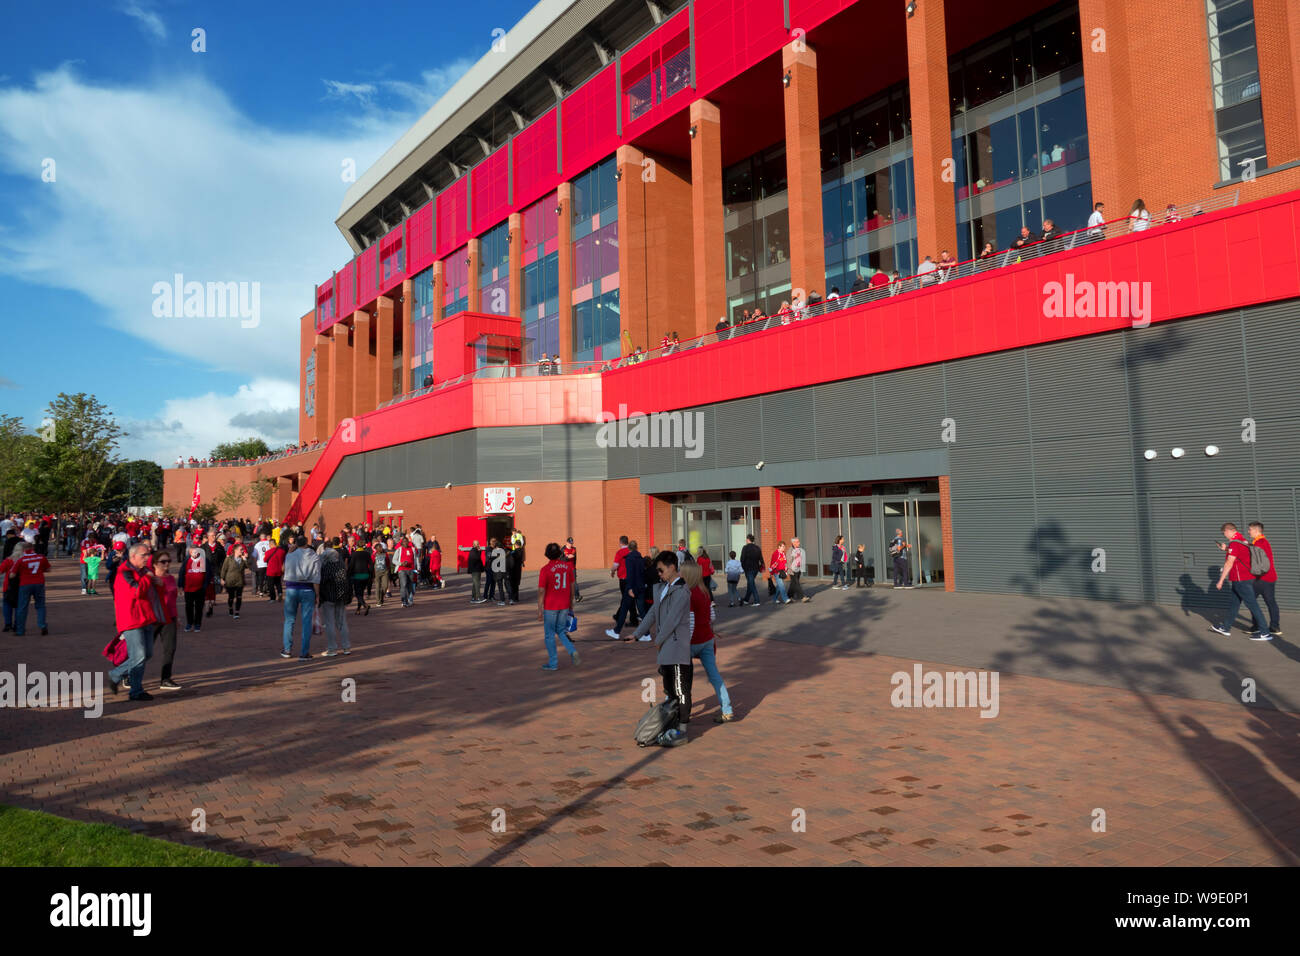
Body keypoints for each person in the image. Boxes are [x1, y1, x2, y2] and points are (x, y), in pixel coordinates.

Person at [631, 551, 693, 746]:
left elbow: (672, 620)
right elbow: (652, 614)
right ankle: (670, 723)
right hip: (665, 646)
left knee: (680, 689)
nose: (658, 573)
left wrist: (658, 639)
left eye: (661, 569)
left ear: (672, 567)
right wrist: (636, 634)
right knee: (669, 688)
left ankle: (682, 729)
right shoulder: (662, 588)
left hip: (676, 647)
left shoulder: (682, 591)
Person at [681, 562, 732, 723]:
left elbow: (690, 621)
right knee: (714, 676)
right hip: (707, 639)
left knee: (683, 679)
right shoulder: (704, 592)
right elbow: (713, 617)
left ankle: (682, 711)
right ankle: (727, 708)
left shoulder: (687, 593)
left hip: (692, 641)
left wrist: (683, 643)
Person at [108, 543, 158, 702]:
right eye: (144, 555)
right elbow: (136, 591)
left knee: (147, 654)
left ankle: (116, 674)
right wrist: (148, 578)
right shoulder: (124, 572)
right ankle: (136, 691)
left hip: (146, 617)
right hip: (131, 619)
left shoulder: (143, 571)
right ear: (133, 556)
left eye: (148, 555)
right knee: (139, 656)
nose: (147, 558)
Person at [1211, 522, 1272, 641]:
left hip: (1241, 580)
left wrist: (1221, 580)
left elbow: (1230, 562)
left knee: (1253, 605)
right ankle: (1225, 627)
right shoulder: (1242, 540)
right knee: (1234, 604)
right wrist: (1227, 549)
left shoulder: (1234, 542)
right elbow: (1240, 555)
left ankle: (1265, 632)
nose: (1225, 536)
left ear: (1228, 531)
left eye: (1224, 533)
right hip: (1243, 578)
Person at [537, 542, 580, 670]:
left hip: (551, 605)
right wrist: (571, 603)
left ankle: (553, 662)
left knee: (549, 634)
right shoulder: (567, 567)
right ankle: (572, 651)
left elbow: (541, 591)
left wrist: (540, 609)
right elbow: (572, 587)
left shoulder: (545, 569)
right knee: (561, 631)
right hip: (564, 604)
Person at [282, 536, 321, 659]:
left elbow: (283, 569)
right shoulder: (314, 556)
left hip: (291, 588)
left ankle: (287, 650)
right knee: (306, 621)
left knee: (289, 620)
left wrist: (288, 553)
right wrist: (317, 594)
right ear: (307, 543)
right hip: (307, 589)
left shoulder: (290, 555)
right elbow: (316, 578)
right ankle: (304, 652)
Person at [152, 550, 182, 691]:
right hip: (153, 619)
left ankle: (166, 678)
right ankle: (128, 674)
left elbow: (172, 600)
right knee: (144, 651)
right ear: (155, 564)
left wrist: (176, 617)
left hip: (169, 618)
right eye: (163, 562)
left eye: (168, 561)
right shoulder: (150, 579)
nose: (166, 564)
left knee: (170, 649)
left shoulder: (170, 578)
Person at [318, 538, 352, 657]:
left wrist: (319, 597)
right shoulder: (341, 566)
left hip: (329, 597)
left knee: (329, 623)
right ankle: (346, 647)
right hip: (341, 596)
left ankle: (332, 648)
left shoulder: (325, 567)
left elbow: (322, 582)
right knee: (342, 622)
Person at [1247, 521, 1281, 636]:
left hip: (1262, 579)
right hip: (1268, 578)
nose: (1248, 531)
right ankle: (1274, 626)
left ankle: (1258, 626)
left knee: (1252, 601)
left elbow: (1250, 557)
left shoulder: (1260, 543)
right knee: (1270, 602)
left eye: (1250, 529)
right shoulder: (1261, 542)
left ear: (1256, 531)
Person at [11, 540, 51, 636]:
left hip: (25, 584)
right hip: (39, 583)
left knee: (22, 607)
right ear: (33, 548)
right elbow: (48, 569)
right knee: (40, 605)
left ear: (24, 550)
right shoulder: (41, 557)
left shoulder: (21, 560)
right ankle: (42, 624)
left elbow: (12, 574)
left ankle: (20, 630)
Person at [179, 543, 210, 633]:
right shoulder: (186, 561)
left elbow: (208, 574)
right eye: (193, 552)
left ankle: (197, 624)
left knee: (199, 607)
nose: (195, 554)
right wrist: (180, 585)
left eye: (196, 552)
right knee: (189, 606)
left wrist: (205, 585)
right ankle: (189, 623)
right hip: (188, 589)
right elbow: (181, 573)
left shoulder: (204, 561)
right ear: (189, 553)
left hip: (200, 588)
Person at [220, 543, 248, 619]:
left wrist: (245, 558)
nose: (242, 551)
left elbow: (248, 566)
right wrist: (222, 578)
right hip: (230, 580)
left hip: (239, 580)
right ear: (235, 550)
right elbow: (224, 569)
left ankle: (237, 612)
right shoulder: (229, 559)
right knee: (231, 597)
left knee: (239, 597)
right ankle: (230, 608)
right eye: (241, 549)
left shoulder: (243, 558)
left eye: (242, 549)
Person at [739, 534, 764, 606]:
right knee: (750, 583)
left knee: (752, 584)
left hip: (748, 569)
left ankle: (757, 601)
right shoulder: (757, 548)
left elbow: (742, 559)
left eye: (746, 539)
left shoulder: (745, 548)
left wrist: (743, 567)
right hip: (755, 569)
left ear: (748, 539)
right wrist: (761, 566)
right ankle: (746, 599)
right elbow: (761, 558)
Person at [349, 540, 373, 615]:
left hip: (357, 575)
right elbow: (371, 565)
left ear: (357, 546)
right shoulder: (367, 554)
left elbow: (351, 565)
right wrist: (371, 574)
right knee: (361, 592)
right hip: (366, 575)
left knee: (357, 593)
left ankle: (365, 605)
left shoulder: (354, 554)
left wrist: (348, 573)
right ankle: (358, 609)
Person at [396, 534, 418, 607]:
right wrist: (401, 563)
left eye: (406, 541)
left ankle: (409, 599)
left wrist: (418, 567)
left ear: (408, 542)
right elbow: (394, 560)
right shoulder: (399, 549)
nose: (405, 543)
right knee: (403, 584)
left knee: (410, 585)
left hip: (411, 569)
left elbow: (415, 559)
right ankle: (404, 601)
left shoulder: (412, 549)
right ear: (401, 543)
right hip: (402, 570)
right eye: (404, 541)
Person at [488, 538, 508, 607]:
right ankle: (509, 598)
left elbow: (491, 560)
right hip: (504, 571)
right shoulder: (504, 552)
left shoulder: (495, 553)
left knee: (500, 587)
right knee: (506, 585)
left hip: (498, 572)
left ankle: (502, 600)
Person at [788, 538, 809, 603]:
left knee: (793, 583)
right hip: (793, 569)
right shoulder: (790, 550)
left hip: (798, 569)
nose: (799, 543)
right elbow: (789, 561)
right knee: (797, 583)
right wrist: (791, 570)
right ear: (793, 543)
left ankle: (789, 596)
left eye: (799, 541)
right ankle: (802, 597)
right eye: (797, 542)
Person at [374, 542, 392, 606]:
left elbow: (388, 562)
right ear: (376, 549)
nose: (381, 549)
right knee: (378, 587)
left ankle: (381, 596)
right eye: (379, 548)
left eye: (381, 547)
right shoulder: (374, 555)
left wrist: (388, 570)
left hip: (385, 572)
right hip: (377, 573)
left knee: (385, 586)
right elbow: (371, 563)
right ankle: (378, 601)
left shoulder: (385, 554)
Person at [563, 536, 581, 603]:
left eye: (572, 543)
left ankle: (577, 597)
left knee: (574, 583)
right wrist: (567, 556)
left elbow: (572, 556)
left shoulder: (574, 549)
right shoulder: (563, 549)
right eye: (570, 543)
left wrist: (567, 556)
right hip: (565, 569)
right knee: (565, 583)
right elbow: (564, 558)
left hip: (572, 568)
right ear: (567, 542)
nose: (571, 544)